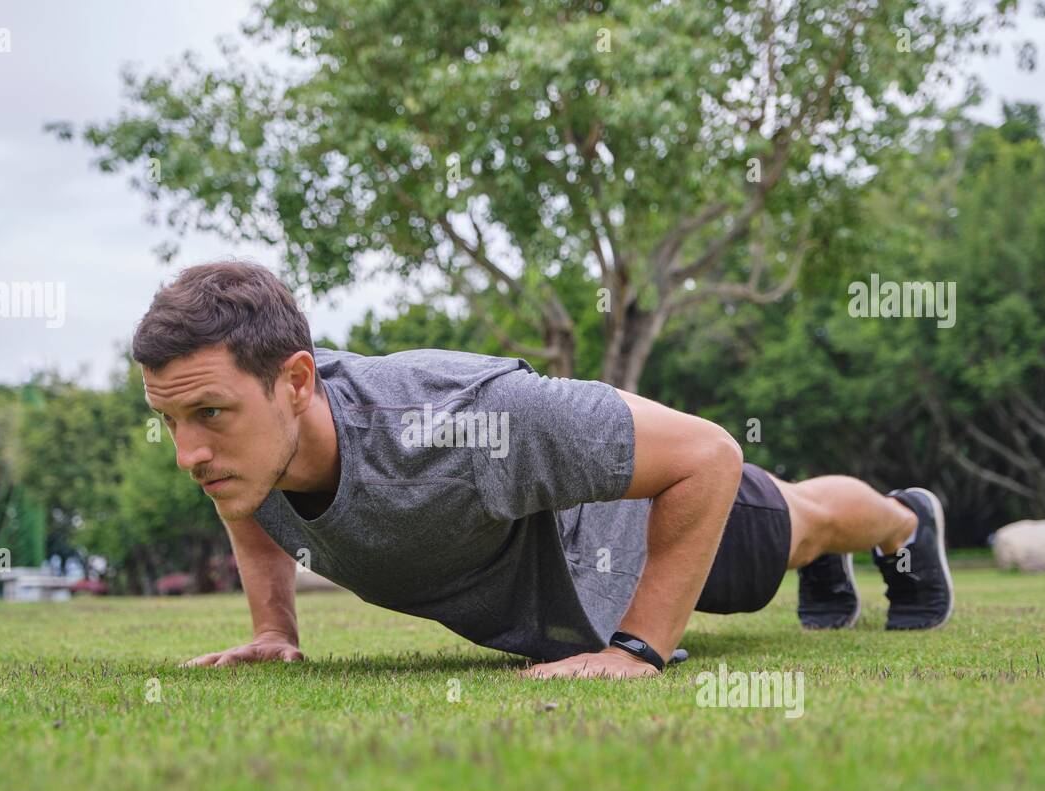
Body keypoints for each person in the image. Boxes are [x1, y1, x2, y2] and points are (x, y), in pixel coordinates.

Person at [136, 261, 953, 680]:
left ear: (298, 381)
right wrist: (275, 631)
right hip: (574, 571)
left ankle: (907, 522)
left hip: (636, 533)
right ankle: (843, 555)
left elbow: (708, 454)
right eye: (169, 421)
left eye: (209, 414)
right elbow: (244, 502)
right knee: (798, 523)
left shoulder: (463, 420)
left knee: (797, 522)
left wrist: (637, 649)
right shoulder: (250, 448)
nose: (188, 456)